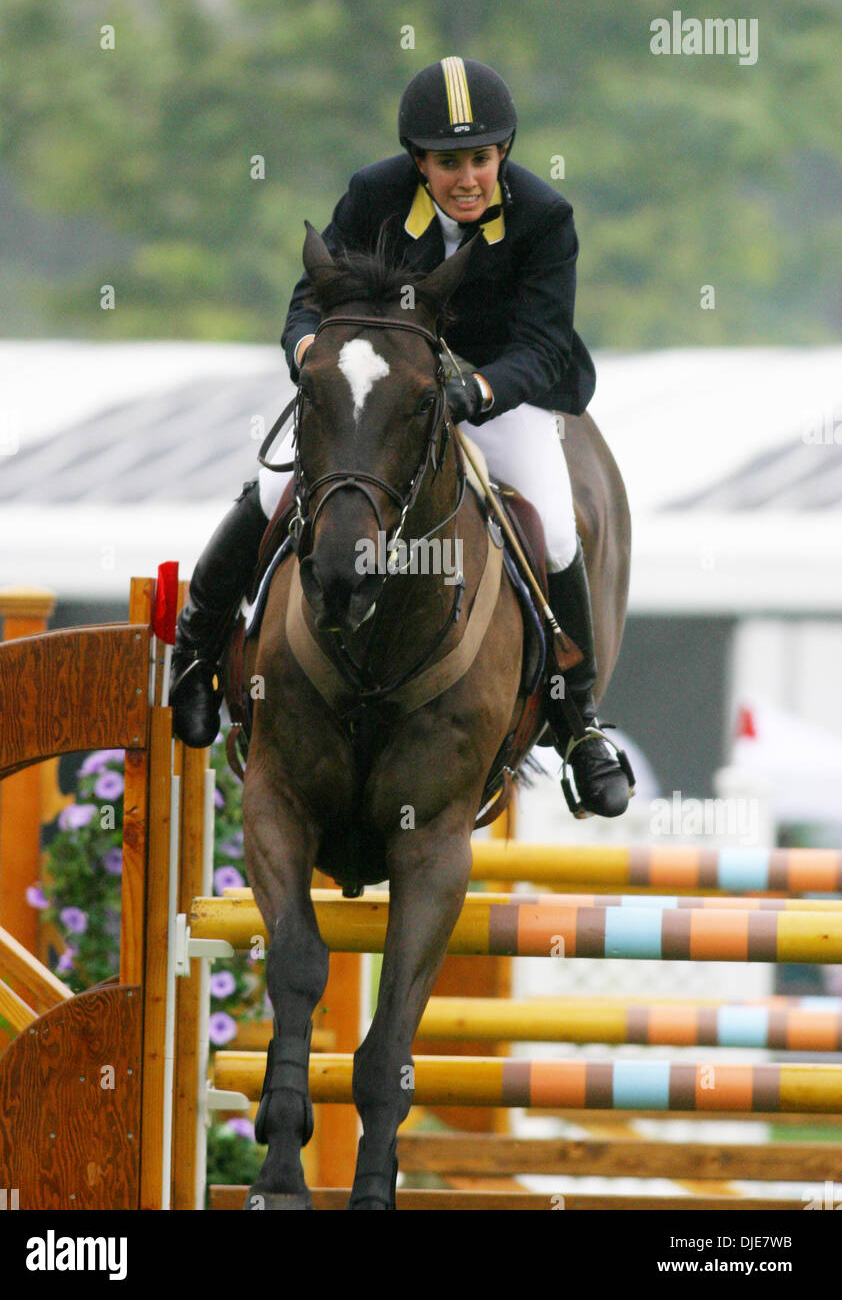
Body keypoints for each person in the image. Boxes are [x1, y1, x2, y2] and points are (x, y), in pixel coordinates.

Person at [169, 56, 629, 817]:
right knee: (275, 486)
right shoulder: (374, 195)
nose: (468, 179)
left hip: (499, 388)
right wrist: (306, 355)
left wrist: (473, 391)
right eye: (449, 163)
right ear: (420, 162)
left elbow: (545, 345)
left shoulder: (546, 219)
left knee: (553, 532)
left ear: (502, 154)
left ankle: (579, 723)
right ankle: (195, 654)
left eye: (481, 159)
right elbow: (306, 304)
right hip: (383, 393)